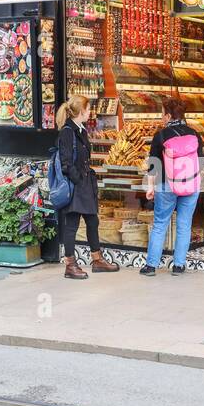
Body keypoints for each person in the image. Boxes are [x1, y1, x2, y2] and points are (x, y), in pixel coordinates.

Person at [56, 95, 118, 280]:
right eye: (89, 109)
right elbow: (66, 163)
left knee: (92, 221)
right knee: (72, 225)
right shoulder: (67, 131)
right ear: (81, 111)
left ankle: (97, 259)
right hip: (76, 185)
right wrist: (78, 181)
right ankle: (70, 264)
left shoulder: (80, 130)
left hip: (84, 183)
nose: (90, 112)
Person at [141, 98, 204, 276]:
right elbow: (200, 163)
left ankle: (151, 266)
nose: (162, 117)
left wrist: (150, 187)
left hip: (166, 185)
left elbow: (153, 165)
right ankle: (178, 265)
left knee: (160, 224)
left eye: (162, 114)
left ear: (168, 115)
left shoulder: (161, 136)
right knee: (184, 225)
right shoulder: (194, 134)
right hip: (191, 185)